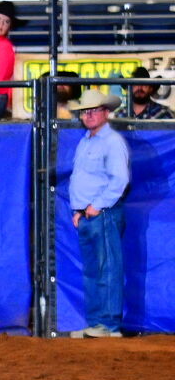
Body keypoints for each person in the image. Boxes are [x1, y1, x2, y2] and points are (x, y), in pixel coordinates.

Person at [67, 89, 130, 339]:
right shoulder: (86, 141)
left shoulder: (112, 142)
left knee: (106, 269)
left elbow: (120, 180)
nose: (88, 115)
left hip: (102, 213)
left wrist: (96, 206)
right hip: (89, 214)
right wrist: (79, 211)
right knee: (94, 271)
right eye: (85, 111)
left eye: (93, 110)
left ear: (106, 113)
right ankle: (97, 323)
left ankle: (109, 325)